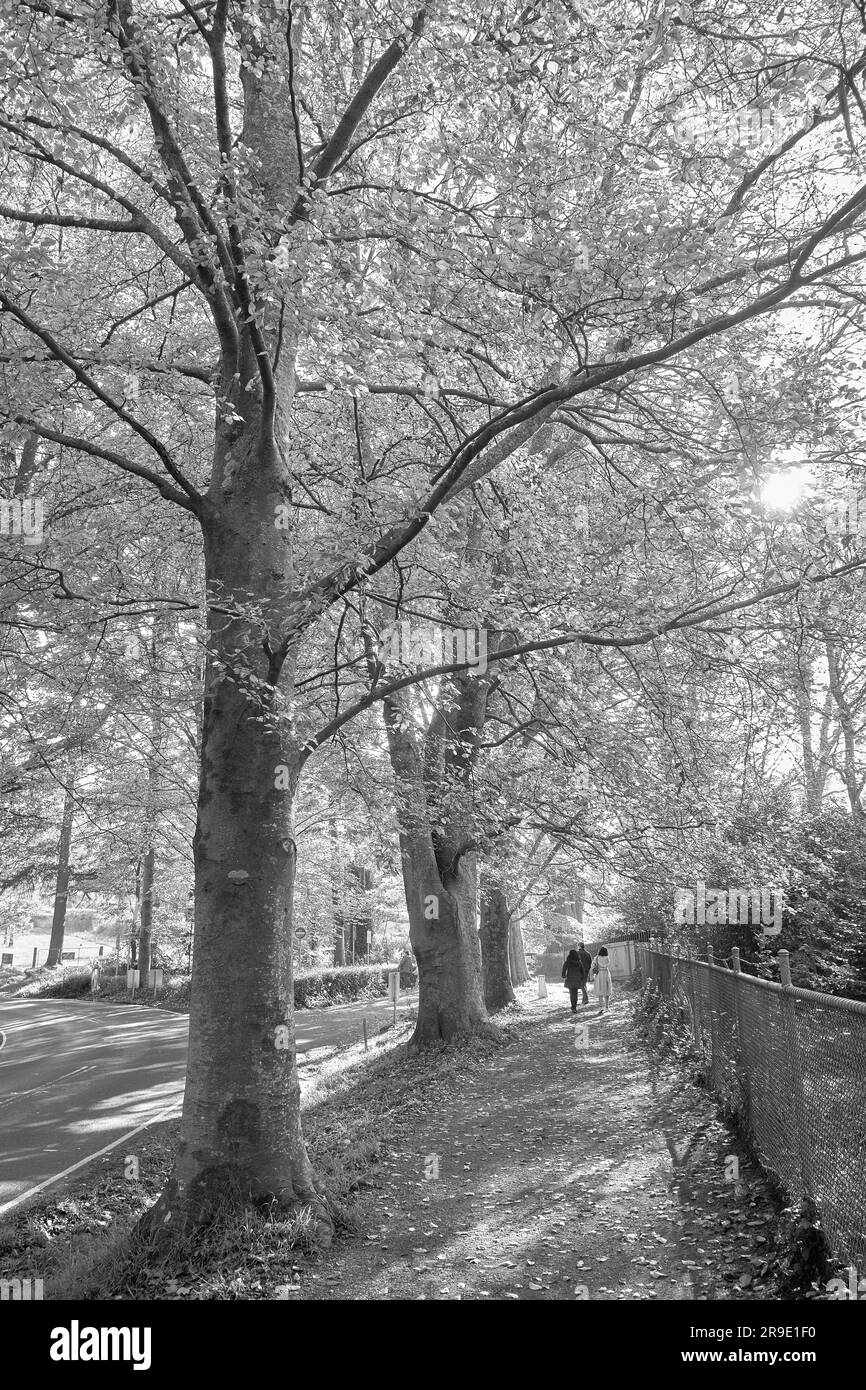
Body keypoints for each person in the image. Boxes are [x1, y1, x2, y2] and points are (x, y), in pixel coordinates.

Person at [561, 947, 589, 1013]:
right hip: (577, 979)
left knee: (571, 993)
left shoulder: (568, 962)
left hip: (570, 979)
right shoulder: (579, 962)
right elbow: (583, 970)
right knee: (575, 993)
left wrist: (563, 975)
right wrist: (582, 977)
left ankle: (573, 1006)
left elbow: (564, 969)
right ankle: (575, 1007)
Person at [591, 945, 612, 1012]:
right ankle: (607, 1006)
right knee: (607, 990)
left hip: (599, 974)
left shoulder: (596, 958)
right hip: (606, 973)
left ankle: (601, 1007)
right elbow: (608, 965)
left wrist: (591, 975)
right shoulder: (607, 958)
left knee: (600, 990)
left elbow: (592, 966)